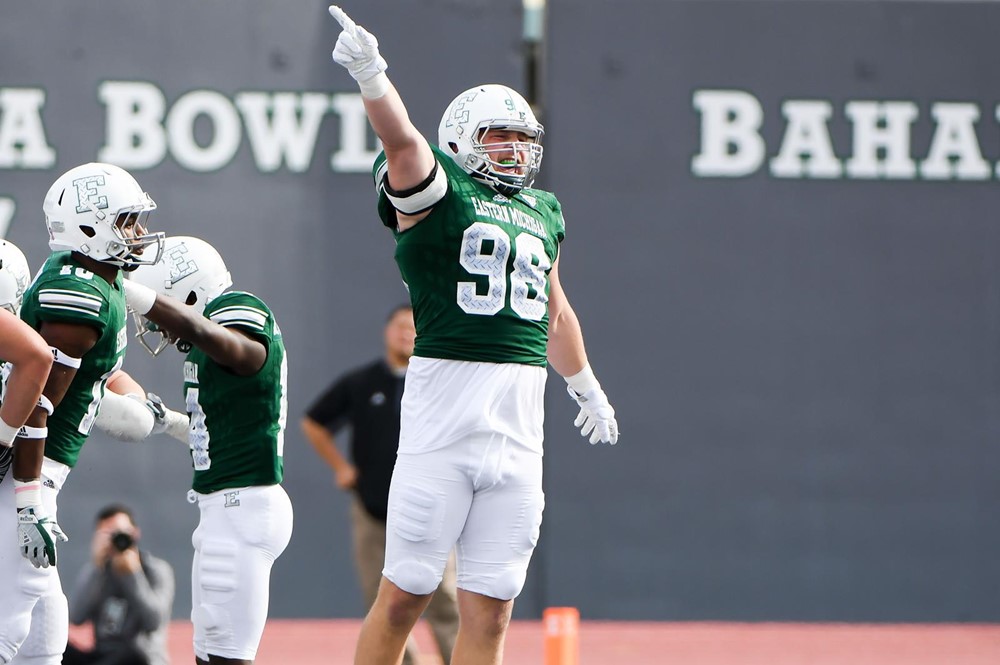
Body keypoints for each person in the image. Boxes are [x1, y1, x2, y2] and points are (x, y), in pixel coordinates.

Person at [327, 6, 620, 664]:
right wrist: (374, 77)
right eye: (498, 137)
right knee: (405, 594)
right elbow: (402, 143)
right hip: (443, 428)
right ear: (462, 139)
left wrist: (586, 386)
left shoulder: (543, 210)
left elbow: (555, 309)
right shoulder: (440, 189)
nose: (514, 150)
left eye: (522, 138)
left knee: (492, 612)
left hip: (518, 435)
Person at [1, 163, 172, 665]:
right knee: (12, 620)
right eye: (125, 221)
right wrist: (30, 504)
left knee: (46, 632)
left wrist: (157, 416)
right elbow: (38, 405)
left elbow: (96, 378)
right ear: (89, 226)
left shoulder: (100, 279)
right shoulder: (77, 299)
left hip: (34, 468)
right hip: (27, 471)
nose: (137, 233)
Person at [124, 235, 293, 665]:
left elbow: (244, 352)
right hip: (227, 506)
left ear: (188, 293)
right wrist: (171, 423)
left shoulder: (235, 309)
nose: (155, 327)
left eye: (163, 308)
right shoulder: (209, 337)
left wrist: (145, 298)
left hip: (242, 503)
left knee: (226, 657)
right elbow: (219, 429)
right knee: (210, 653)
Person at [302, 305, 459, 665]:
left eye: (413, 327)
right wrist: (341, 467)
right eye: (400, 326)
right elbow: (314, 422)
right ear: (387, 332)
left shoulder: (439, 380)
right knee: (382, 598)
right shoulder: (362, 382)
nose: (406, 333)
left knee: (443, 596)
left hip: (432, 510)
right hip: (373, 509)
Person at [64, 504, 174, 665]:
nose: (116, 539)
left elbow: (154, 621)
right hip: (102, 655)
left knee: (133, 652)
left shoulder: (155, 569)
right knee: (59, 649)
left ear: (135, 533)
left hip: (140, 656)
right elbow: (77, 617)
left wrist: (132, 574)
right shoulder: (97, 571)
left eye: (120, 532)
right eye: (109, 534)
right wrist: (97, 567)